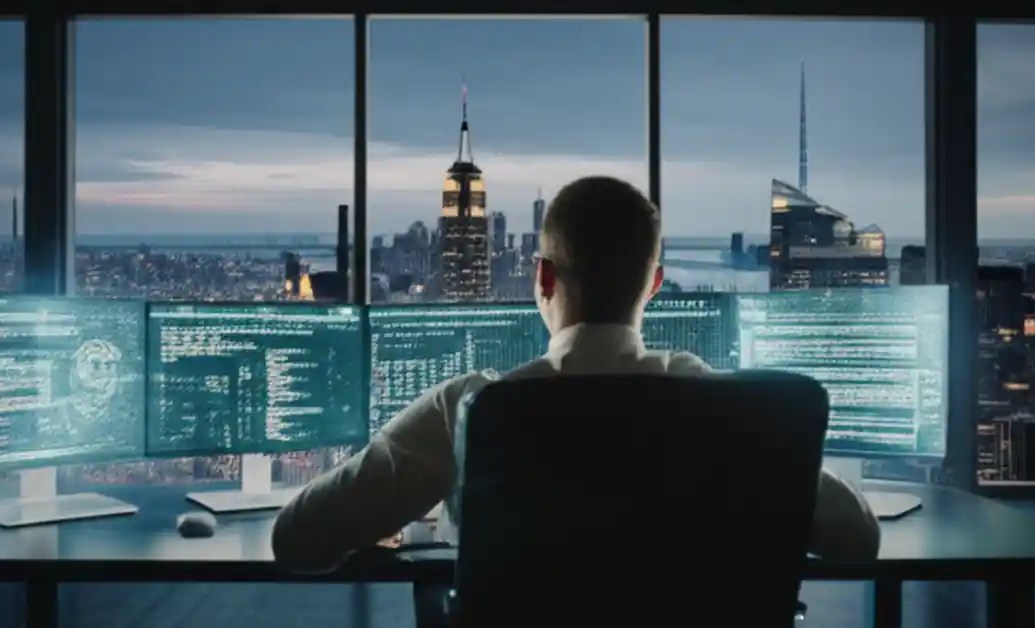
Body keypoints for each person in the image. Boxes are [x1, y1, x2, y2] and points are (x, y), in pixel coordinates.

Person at [272, 176, 881, 572]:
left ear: (542, 278)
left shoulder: (474, 411)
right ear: (654, 285)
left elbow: (297, 537)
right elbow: (857, 539)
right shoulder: (722, 409)